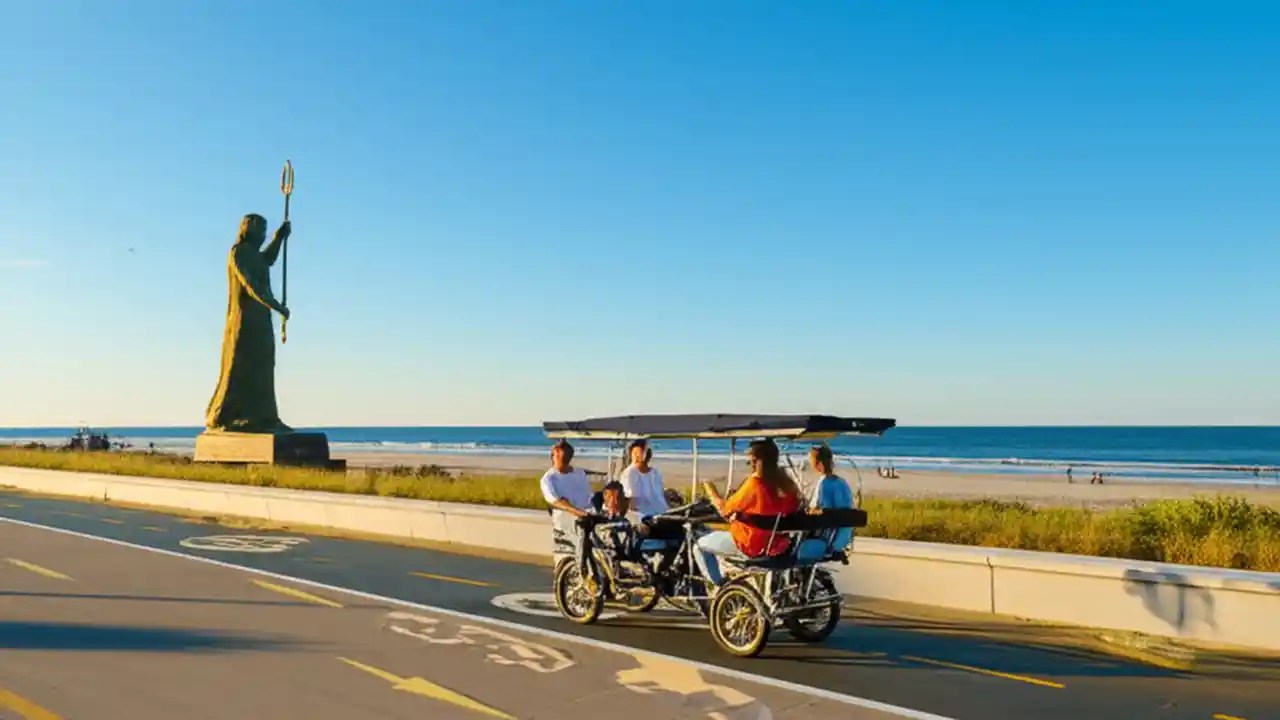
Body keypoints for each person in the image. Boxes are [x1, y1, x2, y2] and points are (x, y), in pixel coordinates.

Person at [205, 214, 293, 433]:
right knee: (240, 367)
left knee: (263, 367)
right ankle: (224, 416)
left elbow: (267, 260)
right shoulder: (239, 252)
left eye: (265, 231)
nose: (263, 235)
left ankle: (265, 417)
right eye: (260, 230)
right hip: (243, 322)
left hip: (261, 321)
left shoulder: (254, 254)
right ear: (249, 229)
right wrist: (277, 305)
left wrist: (279, 238)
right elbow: (251, 285)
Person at [694, 438, 802, 586]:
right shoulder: (786, 484)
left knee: (698, 546)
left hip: (750, 543)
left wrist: (710, 490)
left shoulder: (754, 484)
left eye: (749, 461)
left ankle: (720, 585)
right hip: (776, 543)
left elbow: (724, 510)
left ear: (754, 460)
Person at [797, 444, 854, 562]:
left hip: (827, 539)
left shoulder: (823, 484)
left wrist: (804, 509)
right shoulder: (842, 483)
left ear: (819, 464)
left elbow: (820, 511)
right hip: (842, 537)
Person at [539, 440, 593, 556]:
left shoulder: (579, 473)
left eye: (563, 452)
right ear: (553, 456)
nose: (560, 455)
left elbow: (589, 496)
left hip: (587, 521)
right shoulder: (549, 479)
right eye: (557, 453)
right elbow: (554, 500)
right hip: (565, 526)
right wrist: (575, 511)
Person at [617, 439, 668, 519]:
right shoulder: (630, 473)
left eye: (640, 453)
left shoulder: (655, 473)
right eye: (635, 454)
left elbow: (660, 495)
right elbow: (629, 500)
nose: (638, 457)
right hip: (643, 516)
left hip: (661, 513)